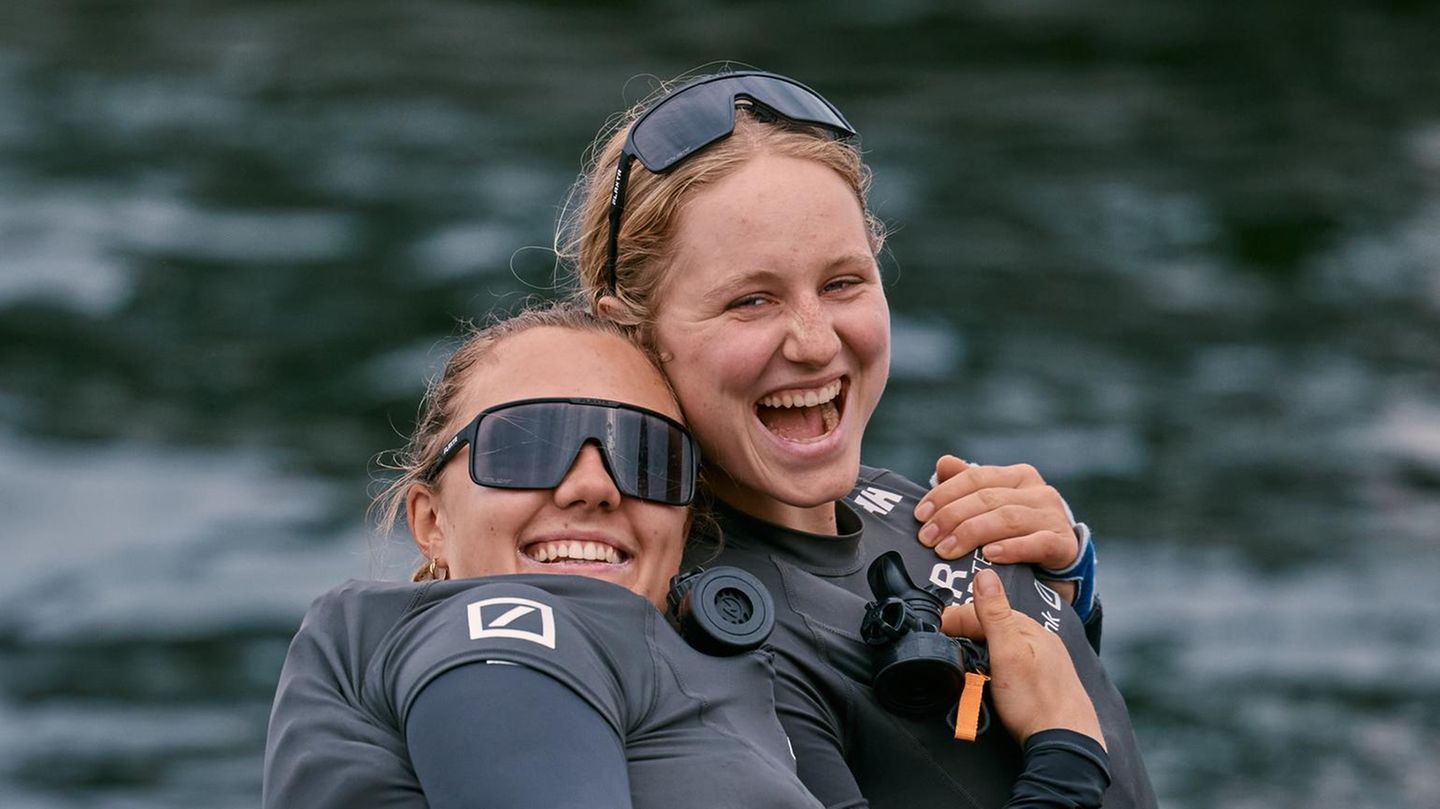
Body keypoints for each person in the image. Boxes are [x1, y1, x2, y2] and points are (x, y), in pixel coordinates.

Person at [558, 70, 1158, 809]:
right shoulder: (709, 640)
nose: (815, 343)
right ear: (633, 333)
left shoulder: (909, 508)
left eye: (842, 283)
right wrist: (1066, 753)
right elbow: (1058, 748)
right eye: (752, 300)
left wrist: (1065, 590)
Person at [262, 303, 1112, 809]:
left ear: (685, 518)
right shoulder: (498, 634)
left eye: (644, 456)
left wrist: (1058, 598)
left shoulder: (702, 682)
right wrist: (1066, 762)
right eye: (525, 445)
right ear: (430, 521)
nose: (592, 484)